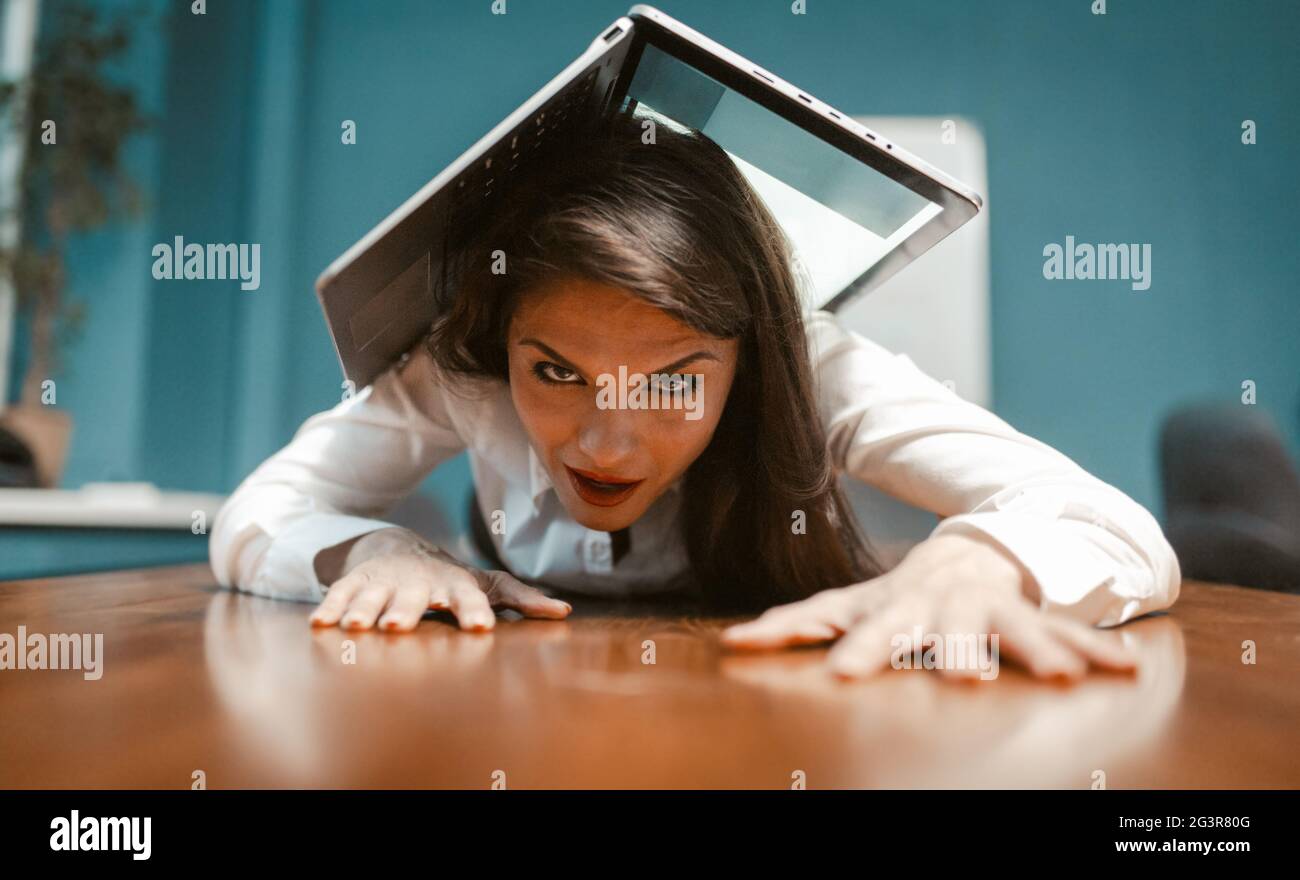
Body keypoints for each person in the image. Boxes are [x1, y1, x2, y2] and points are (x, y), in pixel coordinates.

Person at [210, 114, 1178, 680]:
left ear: (746, 355)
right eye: (555, 372)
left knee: (1228, 546)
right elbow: (255, 515)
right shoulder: (458, 373)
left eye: (671, 380)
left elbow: (1117, 527)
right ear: (502, 340)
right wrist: (374, 549)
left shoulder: (814, 364)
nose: (606, 443)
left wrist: (977, 563)